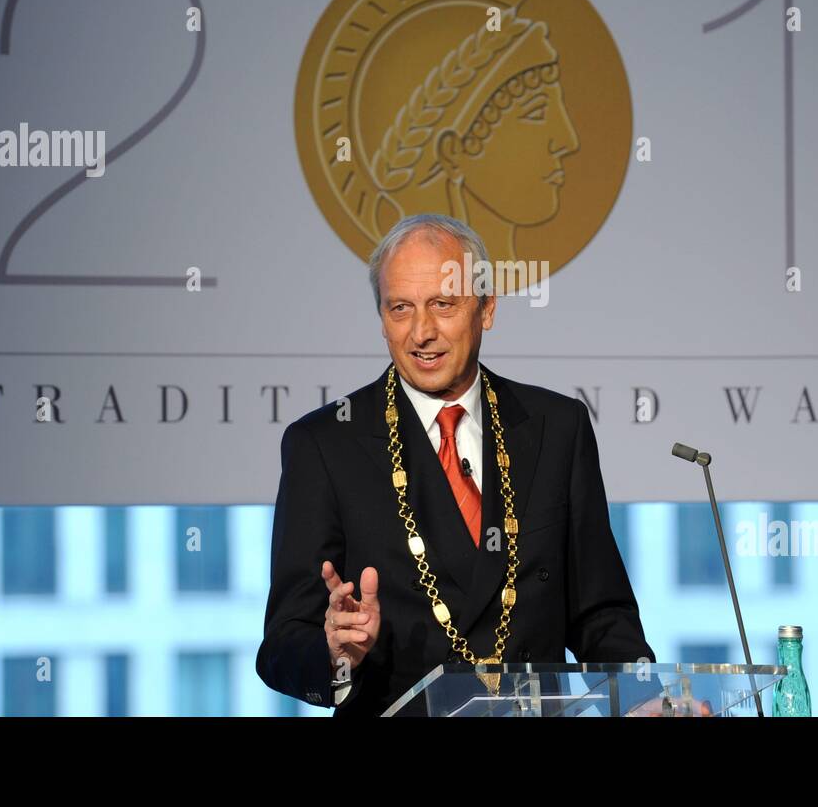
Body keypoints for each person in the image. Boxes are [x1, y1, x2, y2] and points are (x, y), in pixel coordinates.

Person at [255, 213, 654, 716]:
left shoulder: (557, 427)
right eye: (400, 308)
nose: (421, 332)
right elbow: (282, 647)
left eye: (443, 305)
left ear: (486, 308)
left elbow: (600, 614)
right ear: (382, 318)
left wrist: (645, 698)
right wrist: (337, 653)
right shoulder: (324, 444)